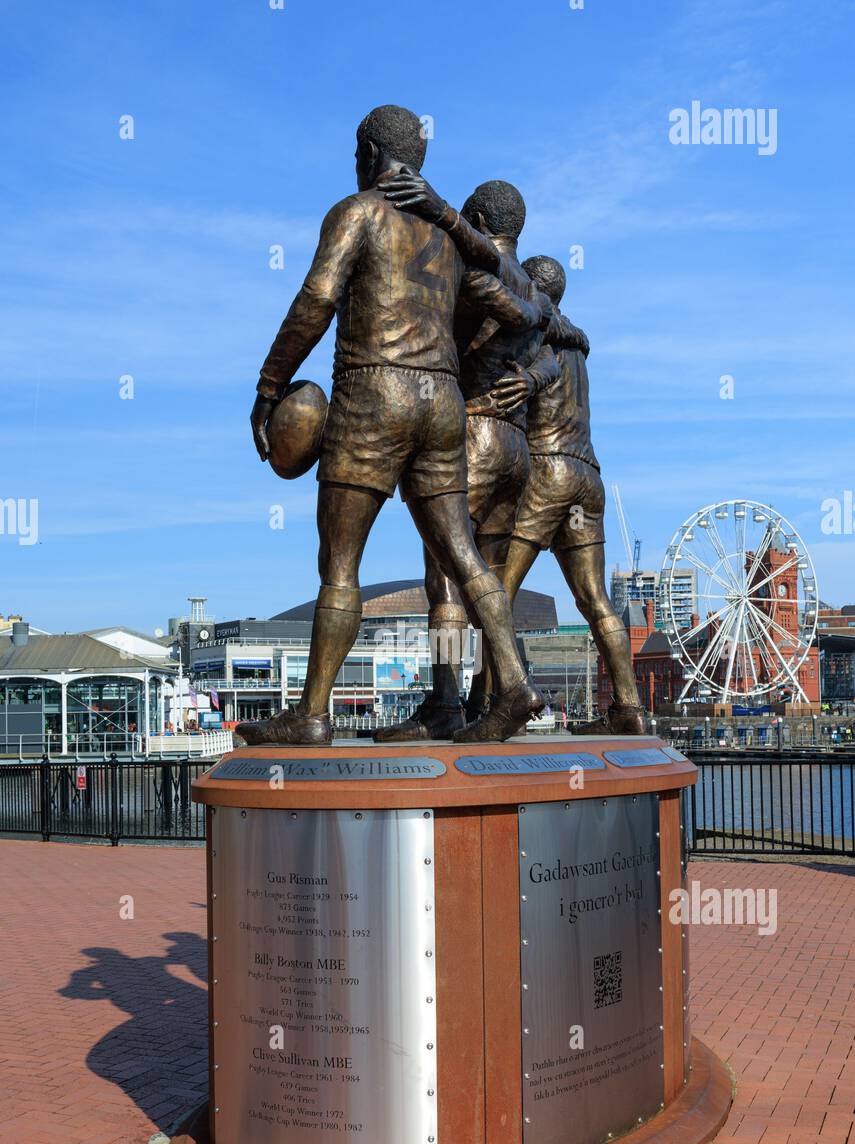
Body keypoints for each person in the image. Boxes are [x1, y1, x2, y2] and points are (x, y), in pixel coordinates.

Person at [239, 105, 544, 746]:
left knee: (340, 564)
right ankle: (513, 683)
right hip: (442, 405)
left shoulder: (358, 212)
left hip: (371, 393)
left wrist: (270, 388)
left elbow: (318, 299)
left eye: (358, 152)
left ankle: (313, 714)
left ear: (369, 151)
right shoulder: (449, 240)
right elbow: (519, 305)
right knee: (461, 554)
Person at [375, 175, 560, 741]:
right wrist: (530, 378)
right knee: (493, 581)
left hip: (473, 431)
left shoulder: (473, 272)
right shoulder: (534, 287)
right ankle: (493, 700)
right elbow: (554, 355)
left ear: (479, 220)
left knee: (446, 580)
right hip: (515, 450)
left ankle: (447, 702)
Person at [500, 255, 646, 735]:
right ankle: (628, 710)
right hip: (588, 476)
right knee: (594, 597)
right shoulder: (577, 347)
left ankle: (502, 700)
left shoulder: (535, 333)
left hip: (548, 469)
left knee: (497, 590)